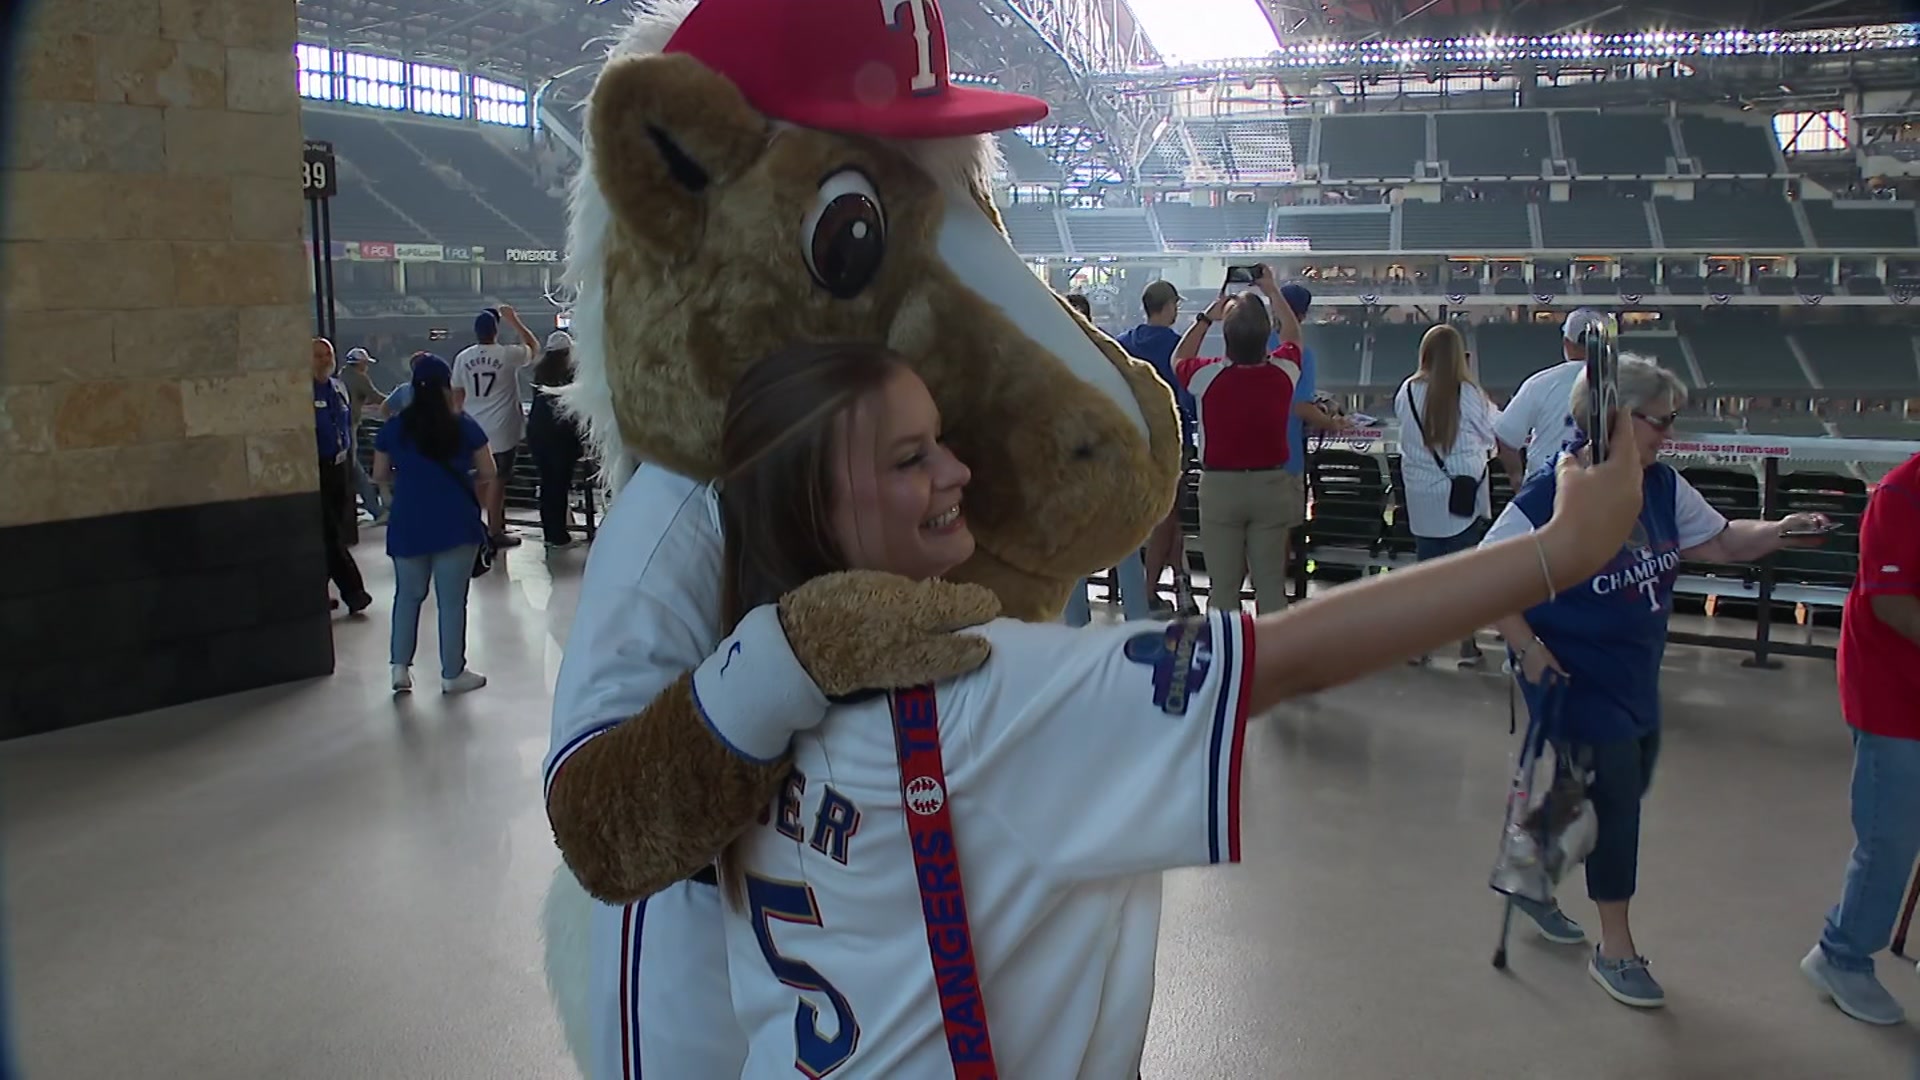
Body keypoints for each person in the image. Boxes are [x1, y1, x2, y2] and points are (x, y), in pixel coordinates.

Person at [702, 343, 1646, 1076]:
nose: (956, 471)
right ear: (814, 506)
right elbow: (1285, 658)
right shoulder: (991, 698)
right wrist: (1560, 548)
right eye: (913, 458)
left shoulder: (727, 688)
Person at [1482, 356, 1830, 1010]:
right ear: (1614, 419)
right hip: (1570, 671)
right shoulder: (1552, 496)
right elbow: (1486, 575)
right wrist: (1525, 646)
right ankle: (1616, 949)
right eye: (1659, 421)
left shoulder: (1663, 488)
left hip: (1634, 671)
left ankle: (1529, 871)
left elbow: (1724, 543)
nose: (1668, 433)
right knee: (1616, 802)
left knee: (1622, 778)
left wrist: (1780, 531)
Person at [1801, 449, 1920, 1025]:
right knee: (1890, 835)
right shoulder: (1902, 494)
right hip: (1892, 694)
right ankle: (1841, 955)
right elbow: (1893, 603)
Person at [1172, 267, 1303, 613]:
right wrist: (1273, 291)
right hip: (1272, 484)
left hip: (1220, 487)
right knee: (1271, 586)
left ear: (1226, 335)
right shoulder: (1284, 372)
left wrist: (1206, 317)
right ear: (1265, 336)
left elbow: (1179, 358)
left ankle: (1228, 659)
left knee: (1223, 588)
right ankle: (1274, 658)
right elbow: (1294, 338)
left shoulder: (1206, 375)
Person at [372, 354, 494, 695]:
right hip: (456, 522)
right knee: (452, 602)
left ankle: (400, 668)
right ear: (445, 389)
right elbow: (489, 471)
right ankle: (452, 673)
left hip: (408, 521)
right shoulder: (464, 425)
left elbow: (379, 474)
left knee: (408, 597)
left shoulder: (394, 427)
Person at [1394, 324, 1502, 665]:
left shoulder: (1407, 391)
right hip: (1461, 497)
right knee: (1463, 576)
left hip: (1422, 500)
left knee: (1426, 574)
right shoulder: (1468, 393)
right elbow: (1491, 433)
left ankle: (1420, 646)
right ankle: (1467, 646)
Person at [1119, 280, 1192, 610]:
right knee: (1168, 516)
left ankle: (1179, 583)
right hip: (1169, 444)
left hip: (1134, 441)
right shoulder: (1178, 349)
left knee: (1167, 518)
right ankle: (1147, 593)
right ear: (1168, 307)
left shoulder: (1123, 345)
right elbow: (1187, 399)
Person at [451, 305, 539, 548]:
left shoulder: (463, 357)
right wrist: (515, 320)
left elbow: (457, 397)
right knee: (498, 481)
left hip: (473, 428)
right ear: (495, 331)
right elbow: (534, 348)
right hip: (502, 429)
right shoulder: (506, 354)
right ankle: (494, 531)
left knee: (478, 479)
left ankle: (476, 526)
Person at [1494, 308, 1609, 483]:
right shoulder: (1626, 382)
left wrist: (1517, 478)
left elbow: (1505, 438)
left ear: (1567, 342)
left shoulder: (1540, 383)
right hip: (1605, 486)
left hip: (1547, 485)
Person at [312, 338, 372, 615]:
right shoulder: (304, 391)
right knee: (330, 533)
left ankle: (316, 592)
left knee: (331, 532)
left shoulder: (338, 389)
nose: (325, 359)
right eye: (318, 355)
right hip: (317, 470)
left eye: (328, 354)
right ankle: (354, 591)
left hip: (340, 467)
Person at [528, 331, 588, 550]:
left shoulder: (539, 373)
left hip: (537, 433)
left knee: (547, 484)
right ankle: (559, 535)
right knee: (560, 485)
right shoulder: (571, 375)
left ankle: (550, 532)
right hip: (561, 437)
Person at [339, 347, 388, 524]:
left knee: (349, 467)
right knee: (354, 467)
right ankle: (375, 509)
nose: (367, 367)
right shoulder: (359, 378)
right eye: (366, 363)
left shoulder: (342, 374)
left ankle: (351, 508)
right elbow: (376, 397)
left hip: (341, 426)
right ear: (360, 363)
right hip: (350, 425)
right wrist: (396, 399)